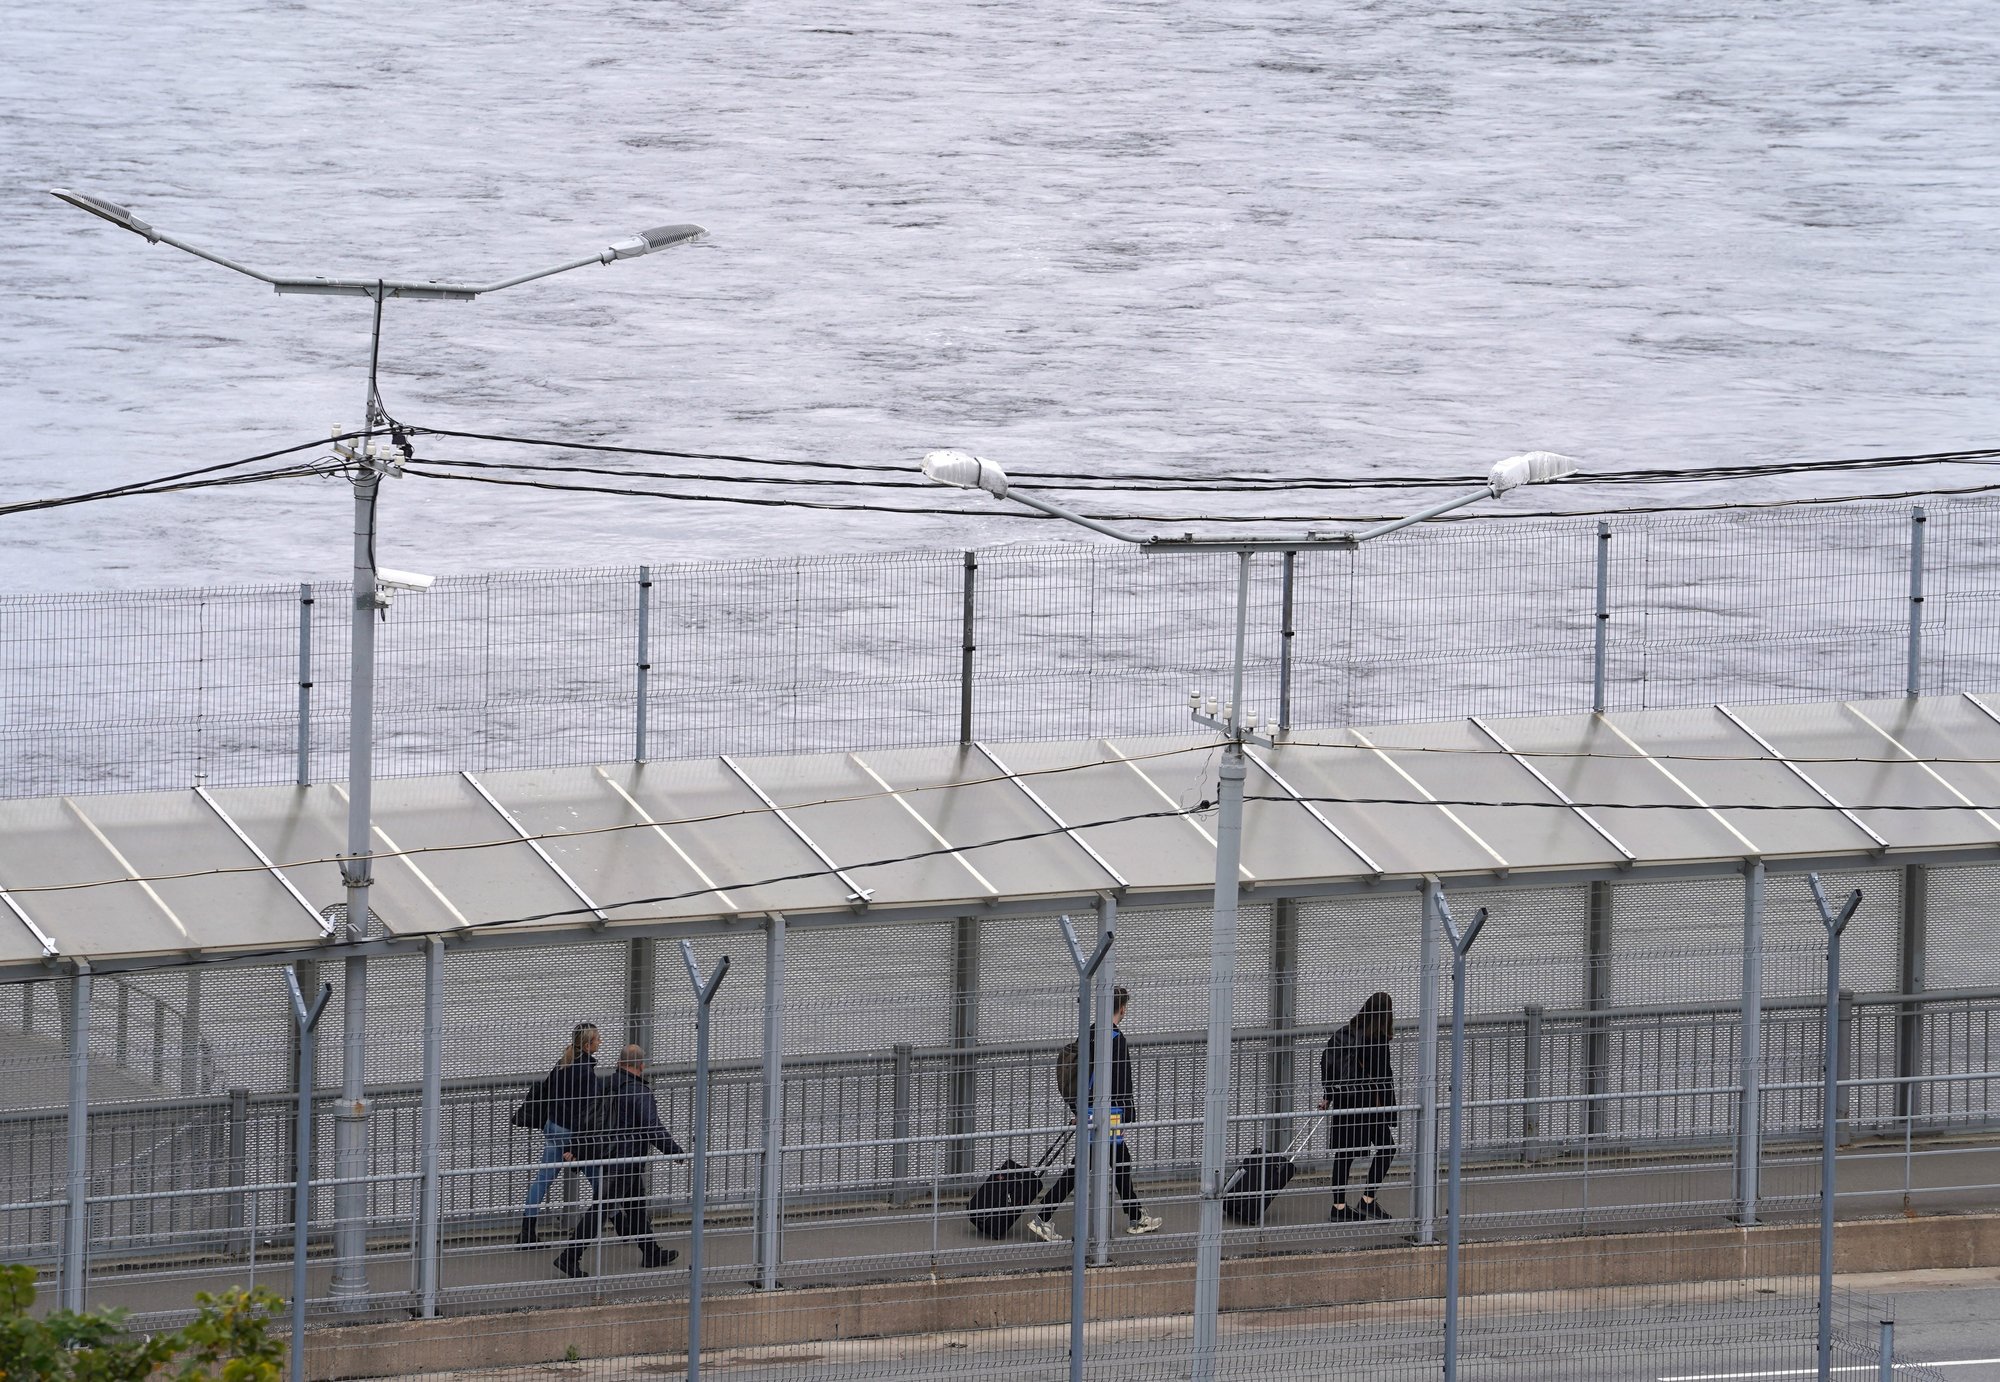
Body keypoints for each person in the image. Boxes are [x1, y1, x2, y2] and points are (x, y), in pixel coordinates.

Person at [1027, 986, 1163, 1242]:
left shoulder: (1089, 1033)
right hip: (1108, 1114)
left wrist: (1080, 1110)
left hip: (1090, 1110)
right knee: (1091, 1166)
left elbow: (1081, 1077)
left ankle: (1136, 1215)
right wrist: (1126, 1116)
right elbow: (1122, 1082)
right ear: (1122, 1008)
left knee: (1117, 1162)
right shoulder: (1115, 1039)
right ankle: (1042, 1218)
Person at [555, 1044, 684, 1278]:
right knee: (602, 1208)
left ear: (620, 1062)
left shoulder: (604, 1084)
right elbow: (651, 1127)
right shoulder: (639, 1092)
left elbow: (586, 1118)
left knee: (634, 1207)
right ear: (641, 1065)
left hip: (611, 1157)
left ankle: (651, 1252)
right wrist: (674, 1151)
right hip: (625, 1160)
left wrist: (575, 1146)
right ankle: (569, 1257)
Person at [518, 1023, 603, 1245]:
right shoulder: (586, 1073)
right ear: (587, 1045)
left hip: (553, 1126)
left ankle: (527, 1232)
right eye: (597, 1040)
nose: (600, 1042)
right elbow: (586, 1112)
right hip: (571, 1132)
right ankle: (628, 1228)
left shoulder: (563, 1064)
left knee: (543, 1179)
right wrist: (576, 1145)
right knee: (601, 1181)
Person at [1320, 991, 1398, 1222]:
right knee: (1387, 1148)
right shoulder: (1377, 1039)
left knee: (1344, 1155)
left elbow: (1331, 1065)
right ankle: (1367, 1200)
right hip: (1368, 1105)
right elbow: (1383, 1075)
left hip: (1345, 1101)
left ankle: (1339, 1208)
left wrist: (1329, 1095)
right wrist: (1389, 1109)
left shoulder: (1346, 1033)